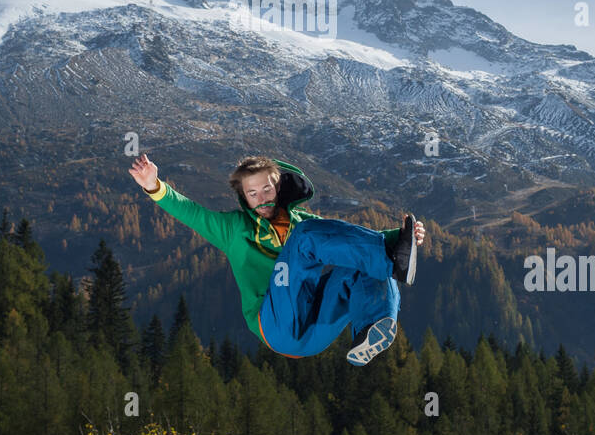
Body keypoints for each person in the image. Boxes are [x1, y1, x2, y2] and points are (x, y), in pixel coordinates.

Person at [128, 151, 424, 365]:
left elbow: (345, 241)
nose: (261, 199)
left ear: (278, 188)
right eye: (252, 193)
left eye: (266, 189)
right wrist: (154, 186)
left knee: (362, 263)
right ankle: (391, 258)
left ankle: (369, 332)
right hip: (276, 325)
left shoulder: (300, 223)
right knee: (322, 239)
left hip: (312, 331)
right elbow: (191, 213)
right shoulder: (234, 229)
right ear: (244, 197)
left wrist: (400, 238)